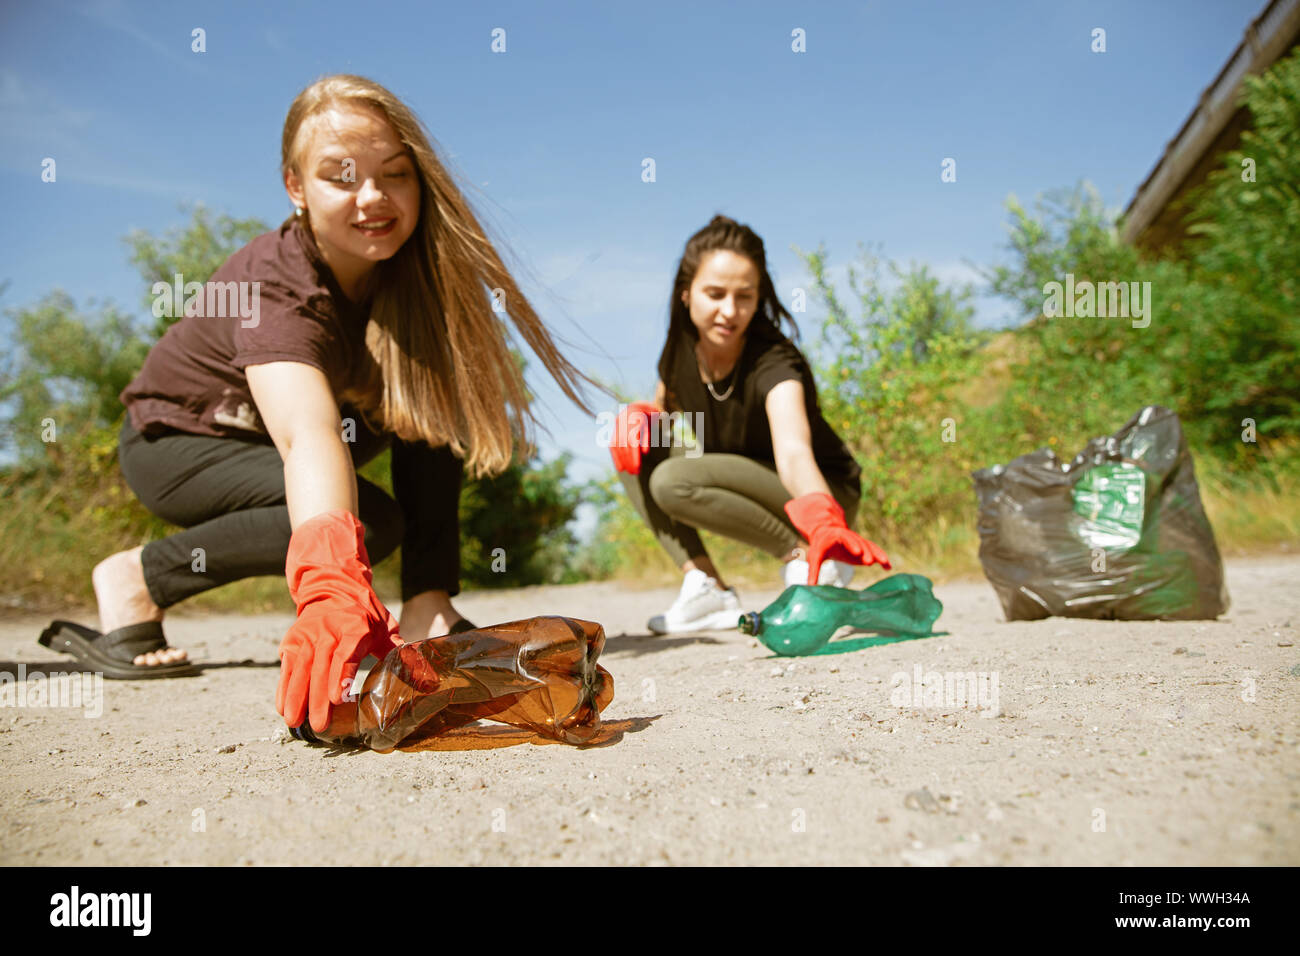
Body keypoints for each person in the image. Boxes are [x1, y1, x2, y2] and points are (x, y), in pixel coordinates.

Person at [38, 74, 595, 736]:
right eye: (342, 176)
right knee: (370, 522)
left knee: (423, 400)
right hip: (179, 444)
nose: (374, 197)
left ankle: (426, 607)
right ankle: (136, 578)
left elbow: (417, 428)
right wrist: (331, 587)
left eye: (395, 173)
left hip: (283, 444)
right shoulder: (272, 283)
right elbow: (308, 435)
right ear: (296, 188)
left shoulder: (414, 281)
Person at [608, 215, 890, 634]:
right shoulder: (677, 352)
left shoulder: (774, 361)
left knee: (670, 481)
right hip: (750, 479)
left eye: (744, 296)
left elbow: (793, 451)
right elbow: (661, 414)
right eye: (715, 294)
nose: (729, 311)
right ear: (686, 294)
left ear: (759, 298)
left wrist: (824, 519)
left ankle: (811, 561)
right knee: (634, 445)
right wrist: (641, 417)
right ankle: (706, 588)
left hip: (819, 491)